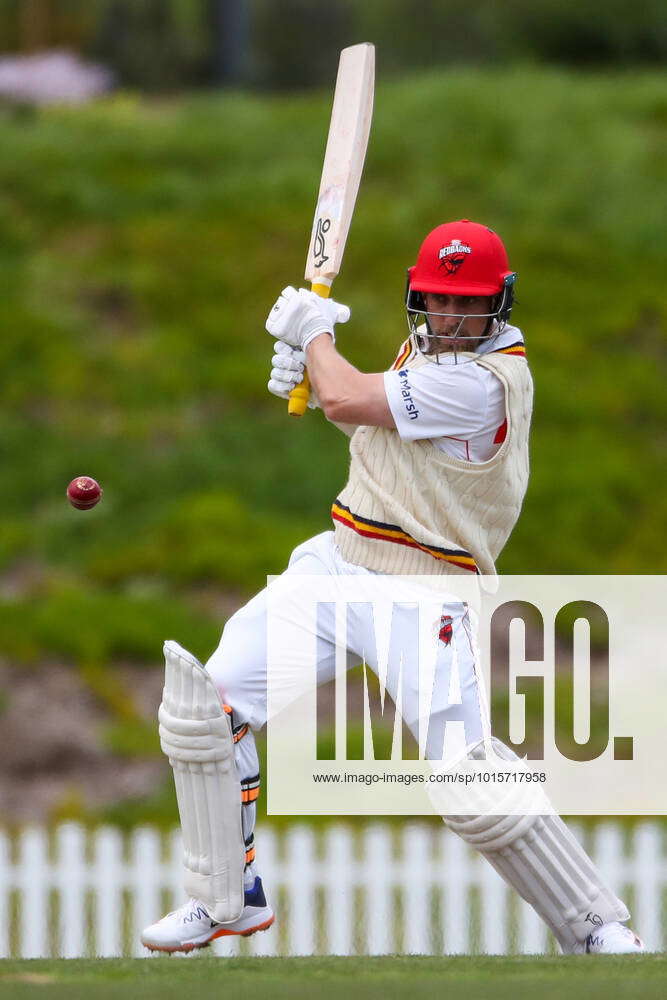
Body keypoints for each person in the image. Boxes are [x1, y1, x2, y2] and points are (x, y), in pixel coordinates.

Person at [141, 220, 644, 955]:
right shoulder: (431, 349)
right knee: (205, 709)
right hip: (337, 561)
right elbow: (376, 429)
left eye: (465, 305)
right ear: (419, 294)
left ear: (498, 305)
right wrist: (314, 382)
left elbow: (357, 403)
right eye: (438, 301)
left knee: (467, 784)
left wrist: (316, 344)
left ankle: (597, 928)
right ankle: (225, 898)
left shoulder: (483, 382)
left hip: (423, 591)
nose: (449, 318)